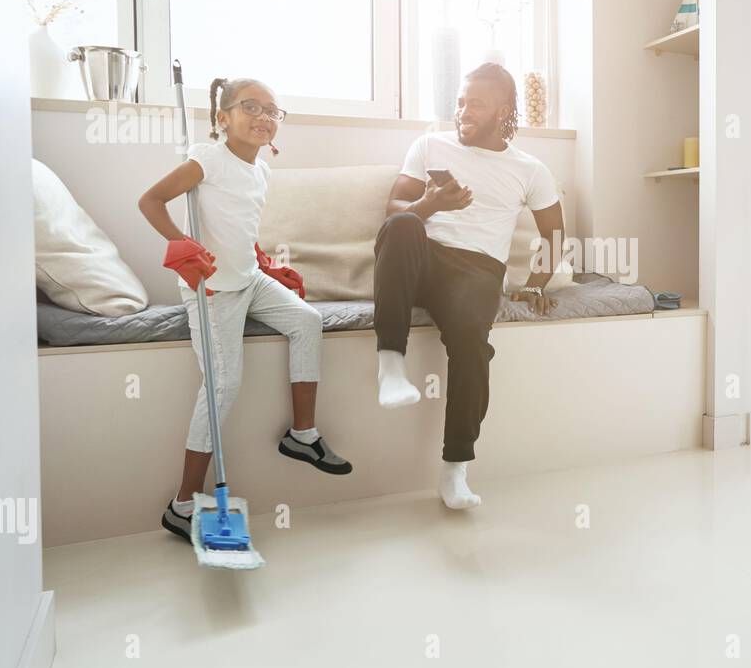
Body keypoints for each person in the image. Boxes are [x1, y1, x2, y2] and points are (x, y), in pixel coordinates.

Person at [138, 76, 352, 542]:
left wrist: (263, 264)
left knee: (307, 320)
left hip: (248, 279)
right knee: (223, 384)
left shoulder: (261, 170)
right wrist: (182, 244)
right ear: (223, 118)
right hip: (212, 288)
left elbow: (239, 225)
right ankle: (182, 504)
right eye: (250, 107)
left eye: (272, 111)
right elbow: (149, 201)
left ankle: (303, 434)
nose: (263, 117)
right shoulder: (208, 157)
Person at [373, 63, 565, 509]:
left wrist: (535, 285)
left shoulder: (530, 169)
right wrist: (430, 203)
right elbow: (393, 210)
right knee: (403, 224)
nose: (462, 112)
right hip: (420, 259)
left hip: (477, 270)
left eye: (475, 104)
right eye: (460, 102)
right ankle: (390, 366)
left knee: (472, 345)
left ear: (503, 110)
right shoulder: (429, 145)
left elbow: (555, 235)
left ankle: (455, 469)